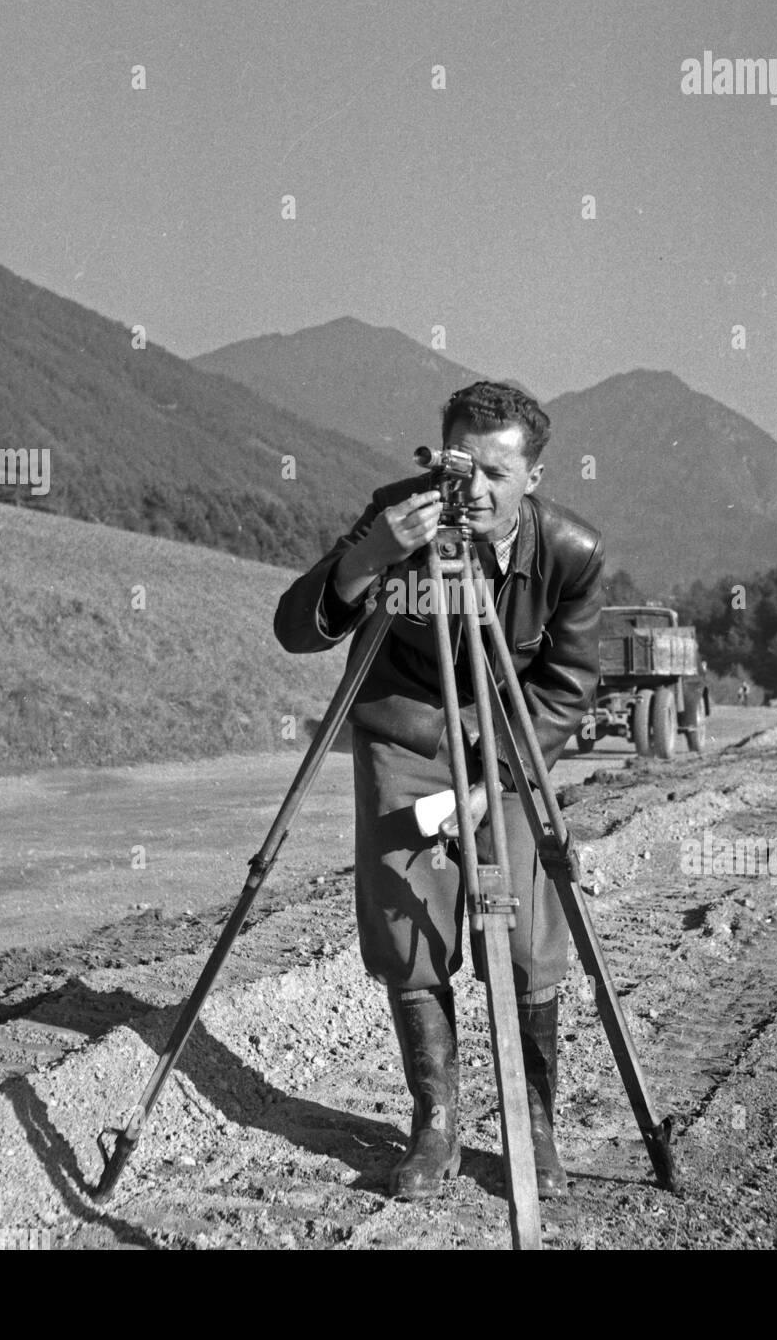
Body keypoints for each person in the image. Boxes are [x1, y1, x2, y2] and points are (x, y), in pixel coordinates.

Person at [273, 381, 603, 1200]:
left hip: (513, 747)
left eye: (498, 474)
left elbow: (566, 687)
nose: (476, 493)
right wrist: (370, 557)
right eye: (463, 469)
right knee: (406, 932)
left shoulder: (571, 552)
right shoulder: (398, 513)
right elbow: (294, 627)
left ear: (534, 476)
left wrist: (500, 772)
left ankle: (535, 1130)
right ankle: (436, 1127)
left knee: (525, 938)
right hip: (405, 736)